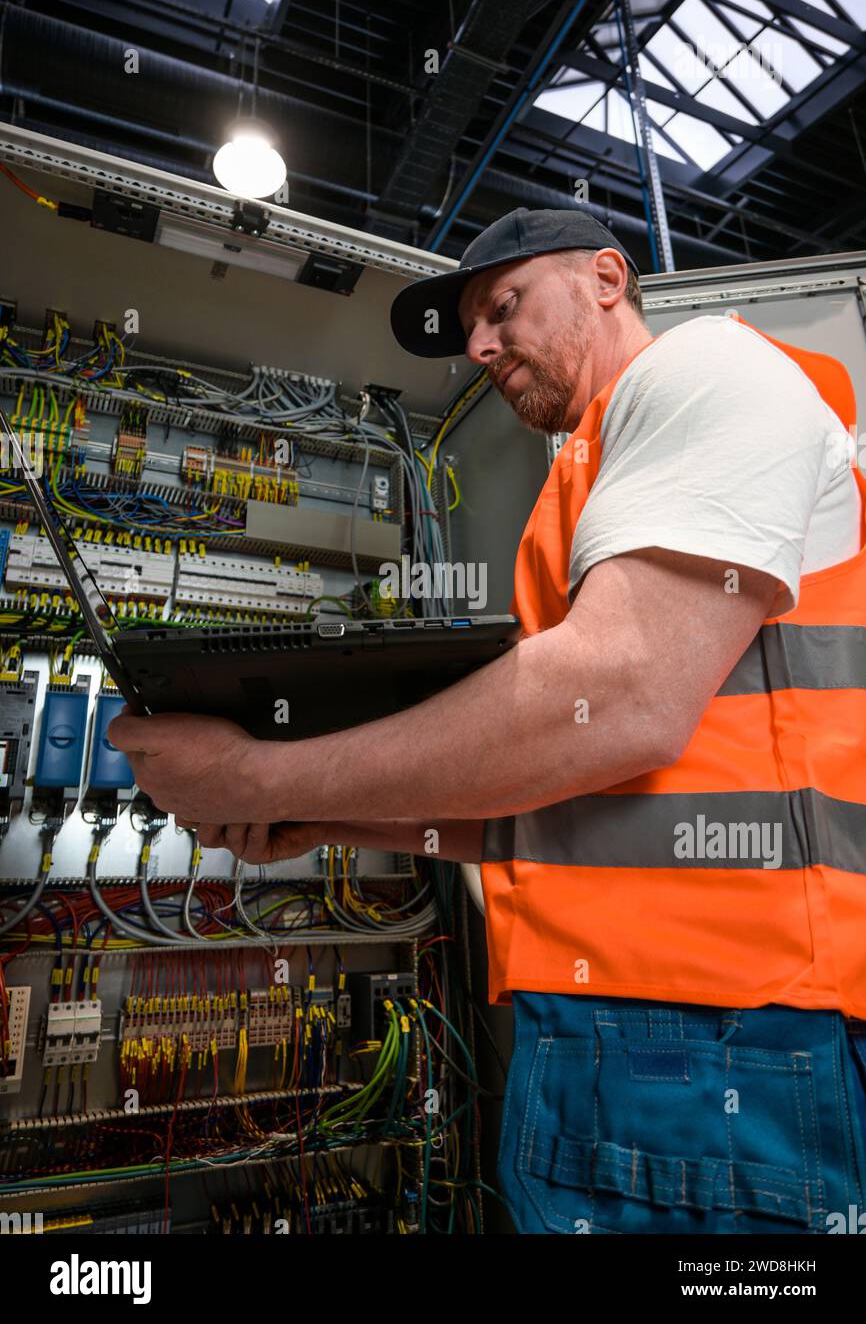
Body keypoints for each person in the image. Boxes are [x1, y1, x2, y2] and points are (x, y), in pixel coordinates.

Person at [110, 207, 866, 1234]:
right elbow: (556, 806)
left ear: (607, 278)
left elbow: (620, 699)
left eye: (502, 307)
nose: (478, 345)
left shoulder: (707, 372)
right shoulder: (588, 477)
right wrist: (329, 821)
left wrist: (263, 779)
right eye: (470, 326)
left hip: (724, 1038)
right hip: (625, 1040)